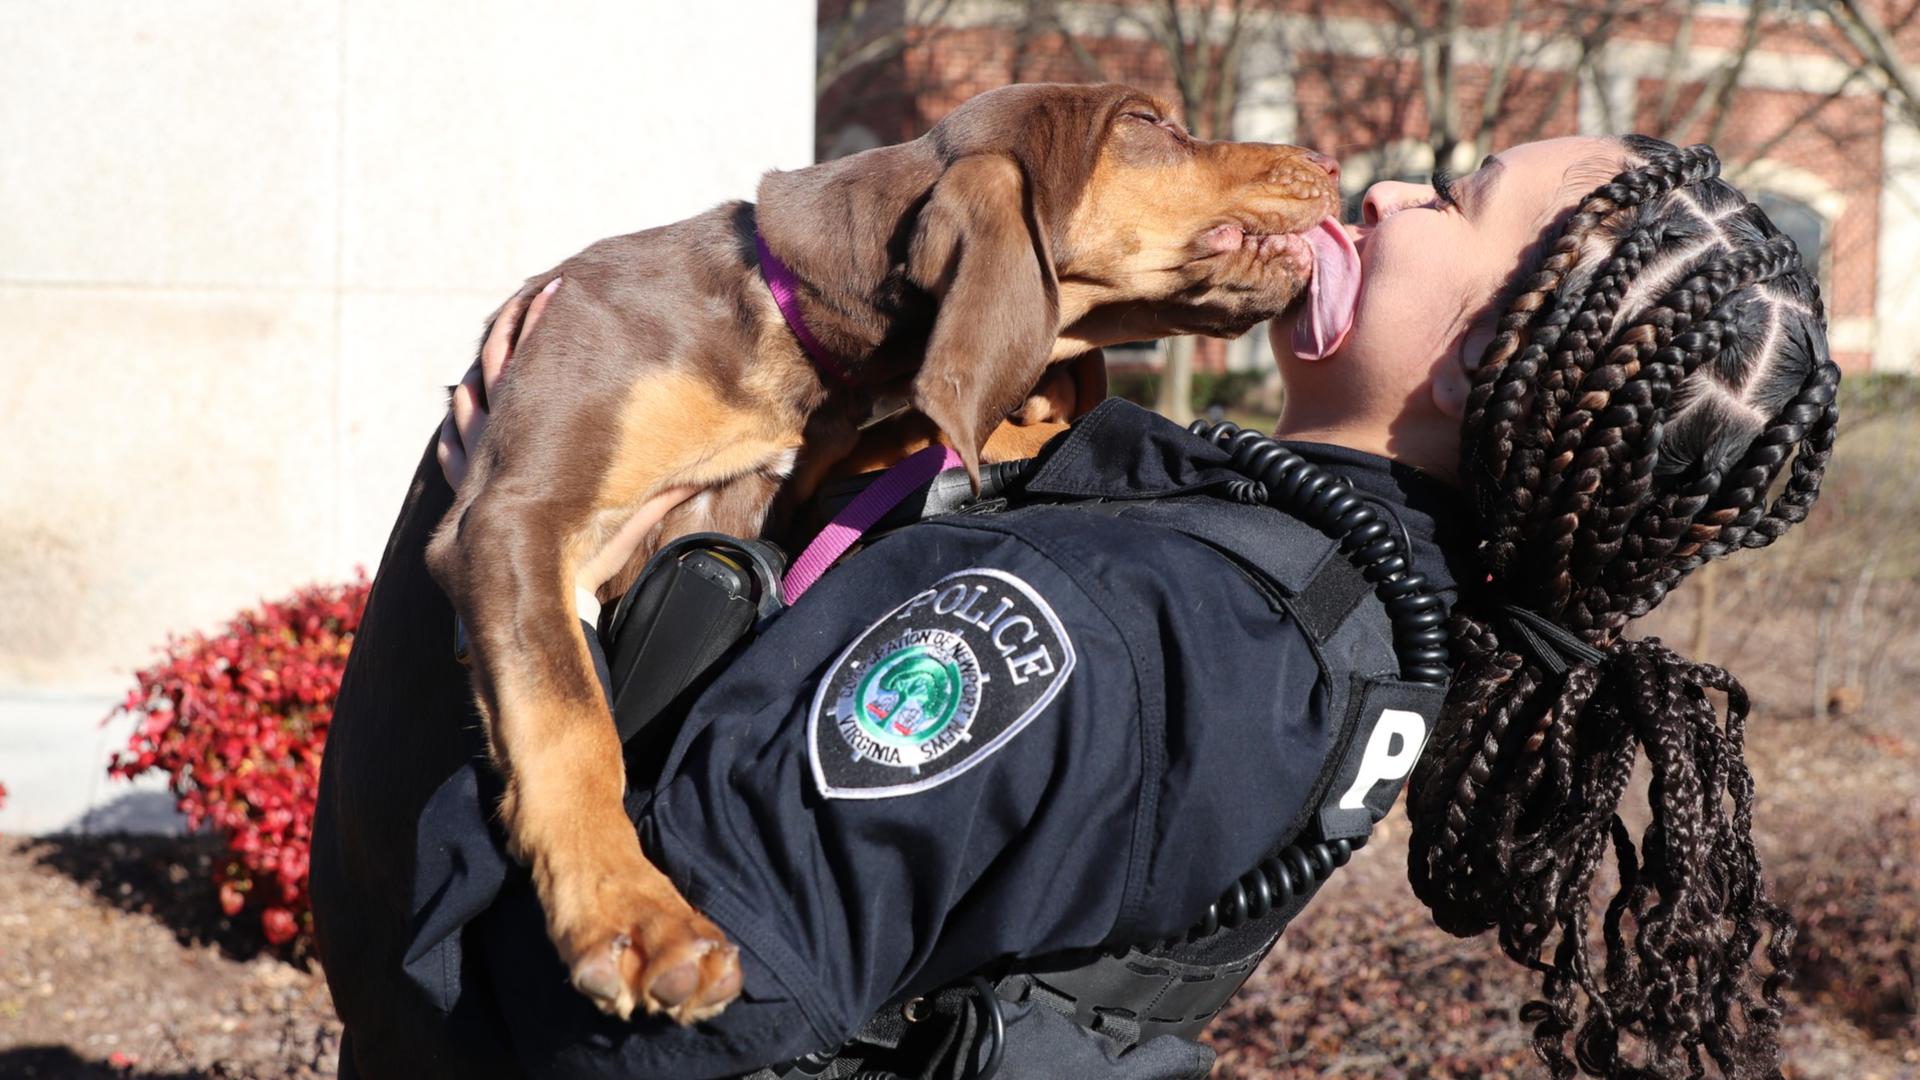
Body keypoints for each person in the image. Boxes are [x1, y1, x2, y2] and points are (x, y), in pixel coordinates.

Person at [409, 133, 1836, 1080]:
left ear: (1478, 364)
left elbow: (656, 1027)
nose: (1390, 192)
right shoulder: (1343, 622)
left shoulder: (1099, 615)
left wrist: (522, 591)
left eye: (1456, 202)